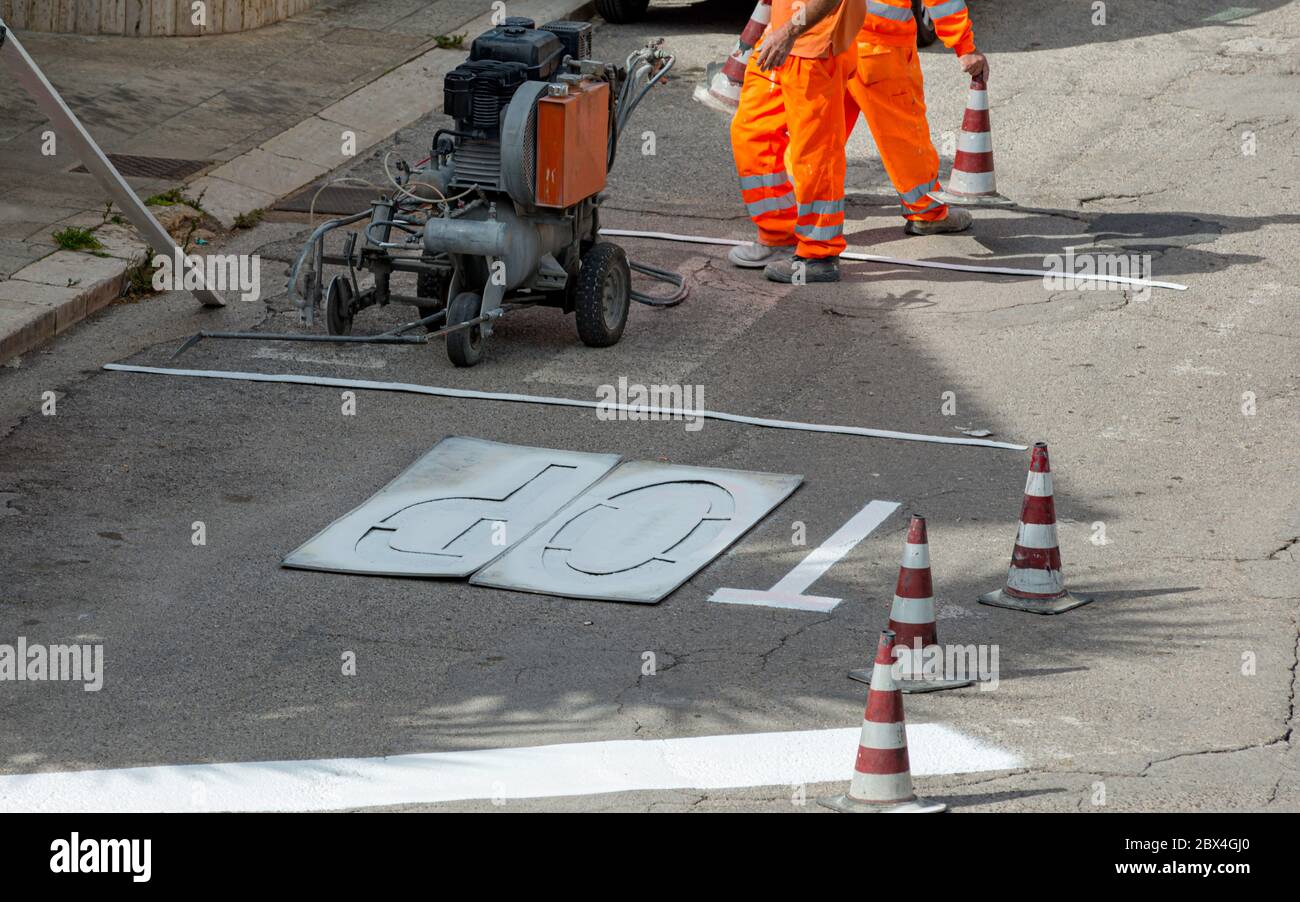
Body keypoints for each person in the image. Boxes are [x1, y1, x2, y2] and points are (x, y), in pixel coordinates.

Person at [728, 0, 866, 284]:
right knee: (751, 132)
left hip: (812, 45)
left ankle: (819, 254)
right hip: (783, 37)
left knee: (815, 154)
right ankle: (779, 234)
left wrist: (789, 33)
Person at [842, 0, 989, 235]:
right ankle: (927, 212)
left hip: (829, 45)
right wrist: (965, 46)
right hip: (880, 47)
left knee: (820, 136)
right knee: (904, 136)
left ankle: (804, 204)